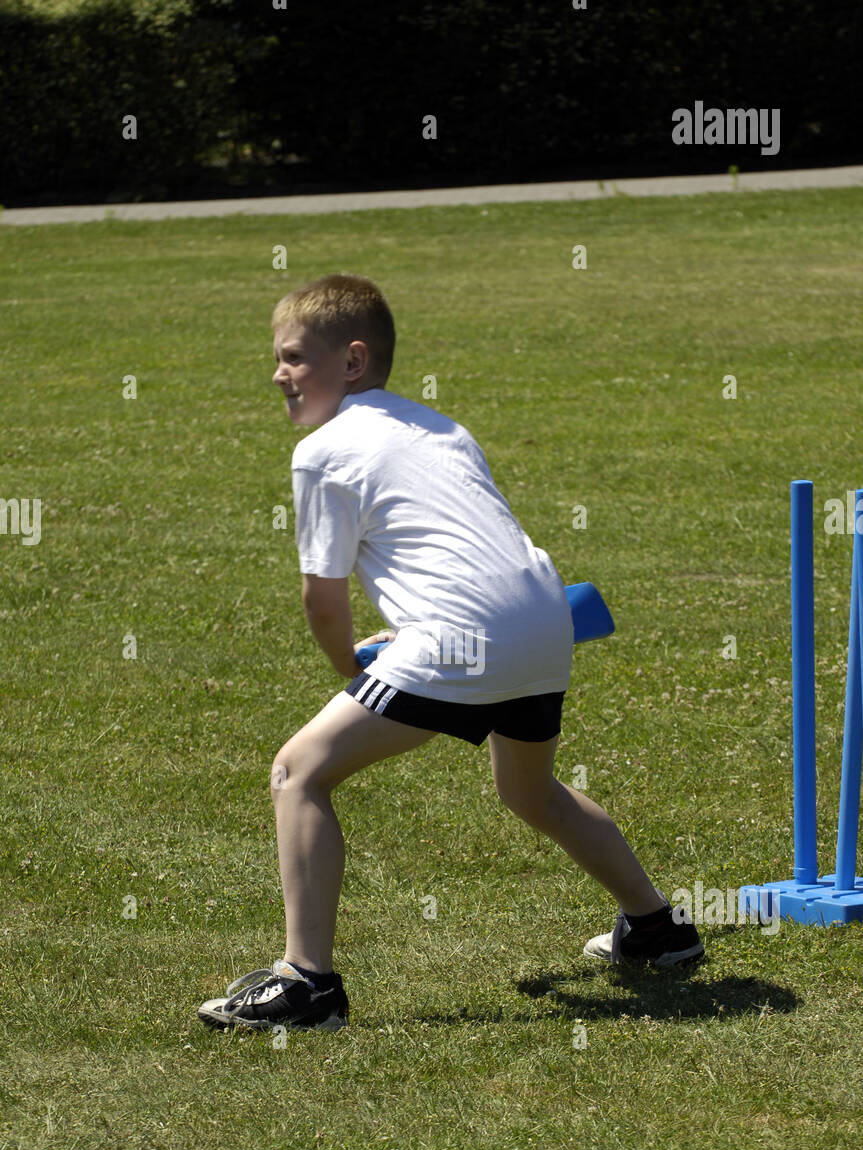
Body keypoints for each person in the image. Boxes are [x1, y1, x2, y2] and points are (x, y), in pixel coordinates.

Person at [197, 274, 703, 1032]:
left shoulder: (323, 451)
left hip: (467, 638)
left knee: (296, 772)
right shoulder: (439, 425)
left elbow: (321, 599)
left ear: (353, 361)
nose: (279, 373)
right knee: (532, 793)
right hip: (542, 622)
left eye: (294, 357)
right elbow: (467, 552)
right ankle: (658, 931)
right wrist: (416, 635)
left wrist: (350, 665)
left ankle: (307, 986)